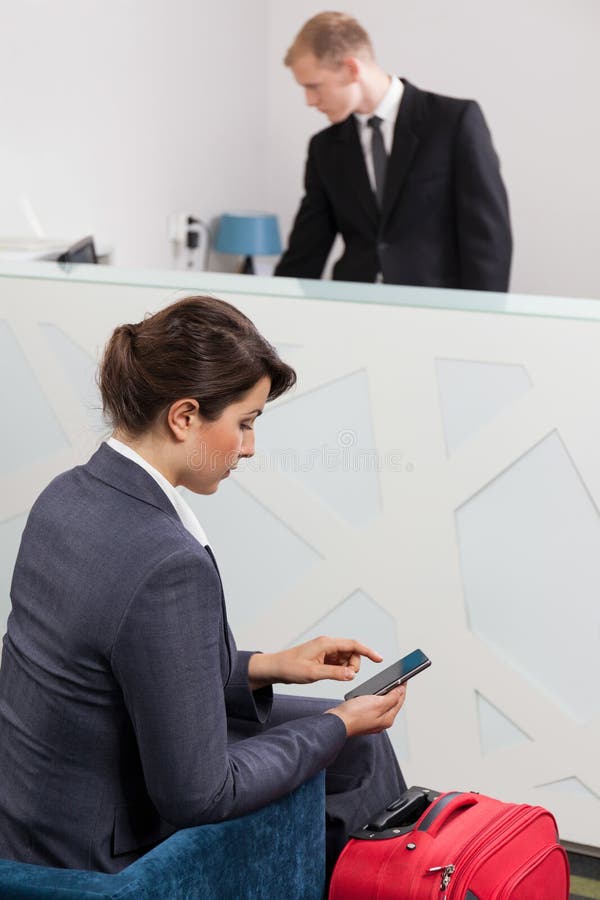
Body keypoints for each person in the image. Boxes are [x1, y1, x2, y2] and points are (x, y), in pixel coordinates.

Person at [0, 295, 406, 880]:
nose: (249, 447)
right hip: (99, 855)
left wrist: (269, 665)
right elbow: (199, 795)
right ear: (185, 416)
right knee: (348, 741)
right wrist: (337, 723)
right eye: (244, 423)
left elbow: (127, 663)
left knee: (359, 746)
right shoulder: (167, 562)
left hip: (36, 818)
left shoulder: (67, 496)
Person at [274, 11, 512, 291]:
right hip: (354, 306)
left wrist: (484, 317)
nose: (309, 101)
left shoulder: (453, 121)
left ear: (352, 69)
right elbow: (307, 247)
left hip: (439, 307)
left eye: (314, 86)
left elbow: (488, 237)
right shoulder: (324, 147)